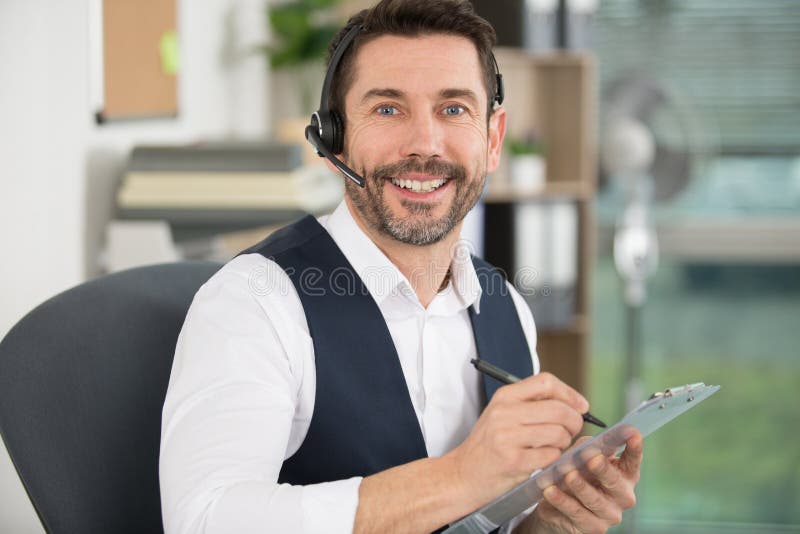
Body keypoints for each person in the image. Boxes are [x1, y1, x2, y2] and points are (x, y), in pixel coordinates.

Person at [159, 1, 643, 532]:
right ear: (332, 138)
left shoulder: (506, 306)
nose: (424, 145)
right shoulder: (253, 302)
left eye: (454, 109)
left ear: (493, 138)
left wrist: (549, 522)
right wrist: (459, 476)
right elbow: (205, 520)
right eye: (388, 109)